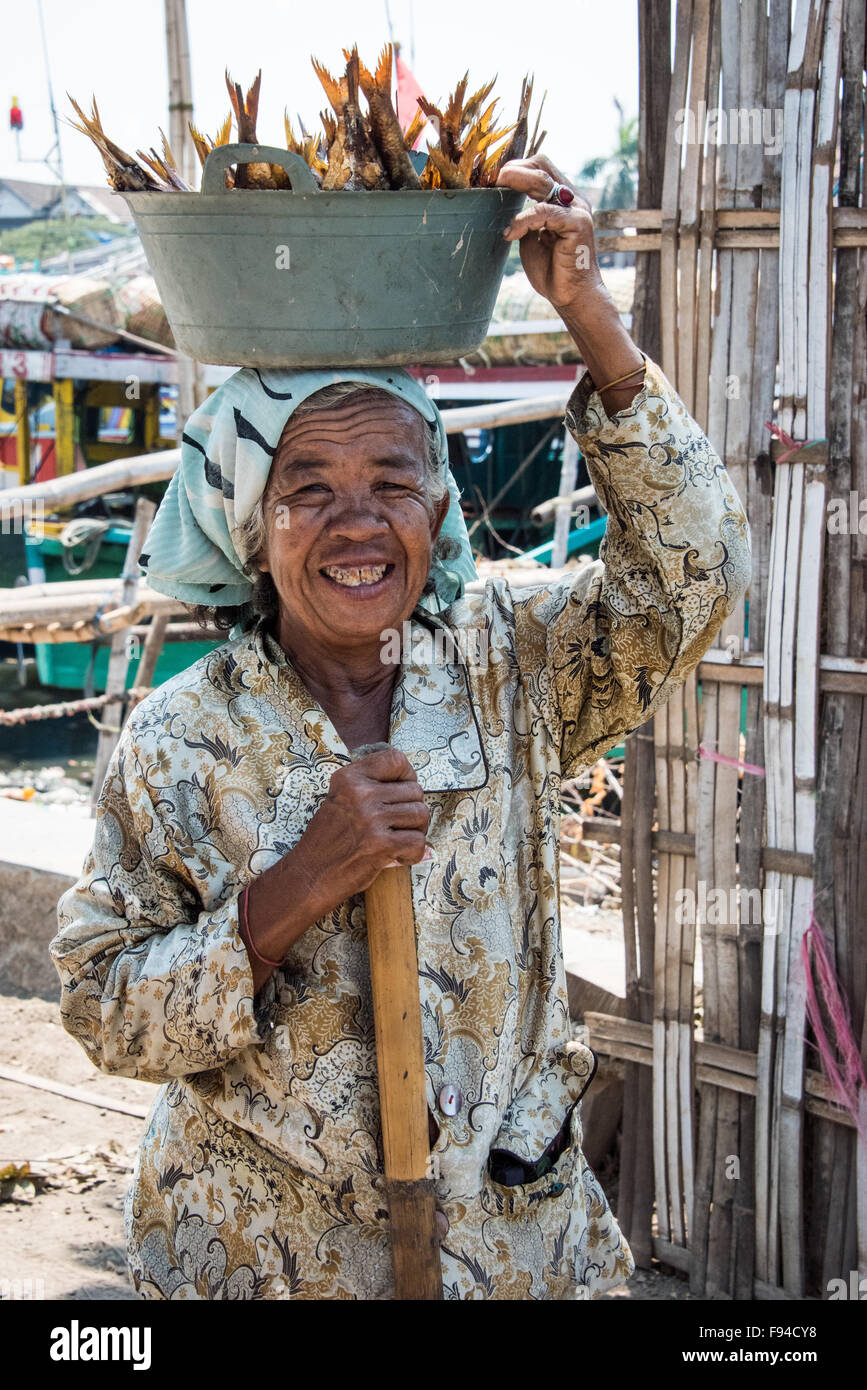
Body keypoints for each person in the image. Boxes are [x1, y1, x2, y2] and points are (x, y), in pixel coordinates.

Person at [50, 155, 751, 1300]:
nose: (357, 521)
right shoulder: (182, 737)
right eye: (309, 487)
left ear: (438, 507)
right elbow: (100, 1004)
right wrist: (293, 888)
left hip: (511, 1252)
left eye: (392, 478)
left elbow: (699, 574)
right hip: (259, 1262)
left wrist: (590, 317)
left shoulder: (509, 665)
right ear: (250, 525)